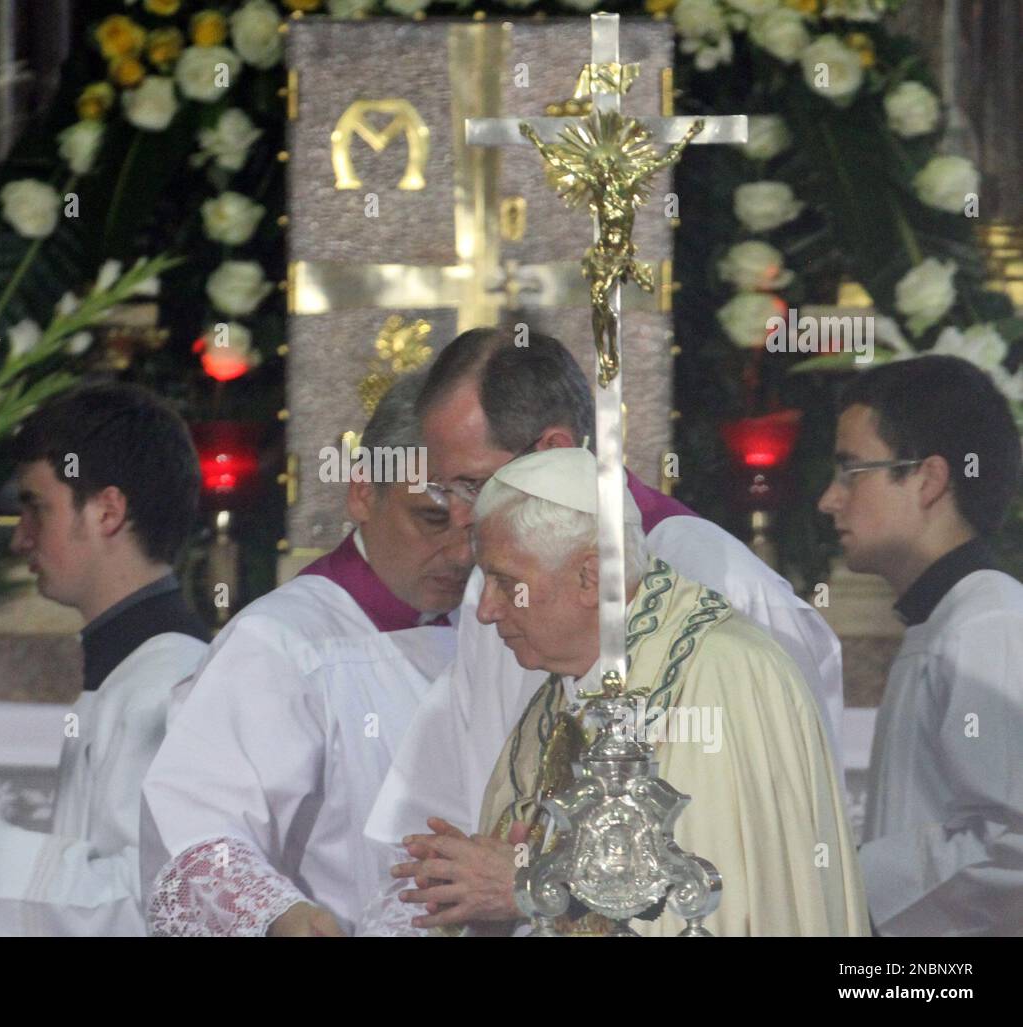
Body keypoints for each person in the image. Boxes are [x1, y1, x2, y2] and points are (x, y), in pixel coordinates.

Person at [364, 327, 845, 918]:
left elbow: (763, 854)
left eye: (470, 484)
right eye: (443, 489)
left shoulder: (722, 591)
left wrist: (530, 887)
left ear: (553, 448)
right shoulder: (488, 590)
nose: (458, 519)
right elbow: (452, 807)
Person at [143, 373, 471, 936]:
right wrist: (279, 915)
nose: (462, 552)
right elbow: (196, 831)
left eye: (478, 526)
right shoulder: (281, 642)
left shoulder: (504, 627)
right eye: (432, 518)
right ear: (363, 491)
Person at [0, 383, 209, 935]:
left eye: (37, 510)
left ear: (107, 512)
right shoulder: (132, 671)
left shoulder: (168, 685)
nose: (22, 540)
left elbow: (161, 903)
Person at [817, 354, 1023, 936]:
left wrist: (849, 886)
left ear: (928, 479)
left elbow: (1013, 843)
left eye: (851, 471)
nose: (829, 500)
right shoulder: (948, 619)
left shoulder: (989, 623)